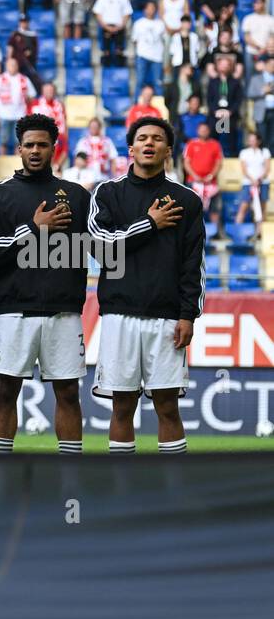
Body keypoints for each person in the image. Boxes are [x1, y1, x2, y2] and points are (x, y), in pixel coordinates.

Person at [89, 115, 202, 454]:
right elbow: (100, 246)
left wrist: (188, 315)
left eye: (157, 138)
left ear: (168, 150)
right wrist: (150, 223)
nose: (149, 143)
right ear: (131, 148)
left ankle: (172, 490)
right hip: (119, 313)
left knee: (168, 406)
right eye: (143, 138)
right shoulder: (107, 193)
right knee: (122, 405)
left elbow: (192, 263)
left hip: (167, 316)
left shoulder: (187, 200)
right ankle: (124, 490)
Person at [0, 113, 90, 453]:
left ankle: (69, 474)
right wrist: (33, 227)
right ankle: (0, 471)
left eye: (43, 144)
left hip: (64, 311)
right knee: (6, 391)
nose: (35, 150)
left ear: (54, 149)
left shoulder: (77, 195)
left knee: (69, 393)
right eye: (29, 144)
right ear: (18, 148)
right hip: (15, 311)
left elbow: (91, 249)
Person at [0, 58, 36, 154]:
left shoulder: (24, 79)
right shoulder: (0, 79)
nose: (13, 67)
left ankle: (16, 163)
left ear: (17, 66)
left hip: (19, 114)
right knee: (2, 141)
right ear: (6, 66)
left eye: (14, 65)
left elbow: (32, 96)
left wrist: (27, 99)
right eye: (11, 65)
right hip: (3, 114)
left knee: (18, 142)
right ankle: (2, 160)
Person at [183, 121, 223, 234]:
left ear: (209, 131)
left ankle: (216, 233)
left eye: (205, 130)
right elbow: (186, 163)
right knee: (192, 209)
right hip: (194, 182)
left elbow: (219, 163)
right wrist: (195, 176)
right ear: (197, 131)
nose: (203, 132)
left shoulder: (215, 144)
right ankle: (191, 233)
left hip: (211, 183)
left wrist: (211, 176)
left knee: (215, 209)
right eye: (201, 130)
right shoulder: (191, 144)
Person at [92, 0, 133, 67]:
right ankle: (106, 72)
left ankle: (120, 71)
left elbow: (127, 14)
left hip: (119, 27)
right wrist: (106, 26)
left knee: (119, 51)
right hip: (106, 27)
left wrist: (121, 26)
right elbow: (98, 14)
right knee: (106, 52)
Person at [234, 132, 270, 225]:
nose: (251, 142)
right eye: (250, 140)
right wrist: (252, 180)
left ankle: (261, 233)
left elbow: (267, 168)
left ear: (259, 141)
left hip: (262, 183)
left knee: (262, 208)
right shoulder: (244, 152)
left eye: (253, 140)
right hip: (248, 183)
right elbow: (244, 169)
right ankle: (237, 230)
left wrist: (259, 179)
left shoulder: (265, 151)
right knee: (244, 206)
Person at [131, 0, 166, 92]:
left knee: (158, 83)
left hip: (157, 58)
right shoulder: (138, 24)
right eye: (149, 8)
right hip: (142, 56)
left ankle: (159, 105)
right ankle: (137, 105)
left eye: (153, 8)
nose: (151, 10)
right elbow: (135, 40)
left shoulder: (161, 24)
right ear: (145, 10)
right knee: (140, 82)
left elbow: (164, 41)